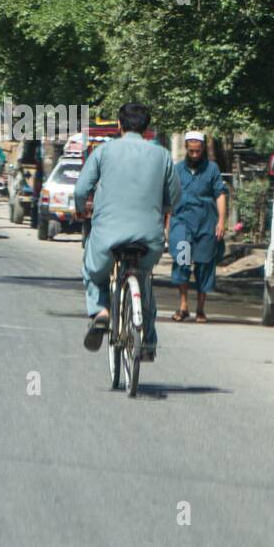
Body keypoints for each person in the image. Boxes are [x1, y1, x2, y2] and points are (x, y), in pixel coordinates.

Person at [74, 103, 180, 357]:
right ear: (146, 128)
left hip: (107, 238)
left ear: (119, 125)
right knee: (143, 281)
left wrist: (81, 209)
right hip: (149, 239)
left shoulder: (103, 151)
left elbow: (80, 190)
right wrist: (161, 207)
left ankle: (100, 311)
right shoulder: (163, 155)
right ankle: (148, 343)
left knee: (92, 270)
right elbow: (175, 197)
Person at [166, 131, 228, 324]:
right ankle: (183, 305)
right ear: (186, 148)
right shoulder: (176, 169)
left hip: (206, 223)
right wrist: (168, 225)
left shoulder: (212, 169)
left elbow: (220, 194)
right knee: (182, 261)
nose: (194, 154)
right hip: (182, 223)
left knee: (204, 264)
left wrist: (221, 222)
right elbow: (169, 198)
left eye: (198, 151)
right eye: (191, 151)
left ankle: (200, 308)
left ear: (202, 150)